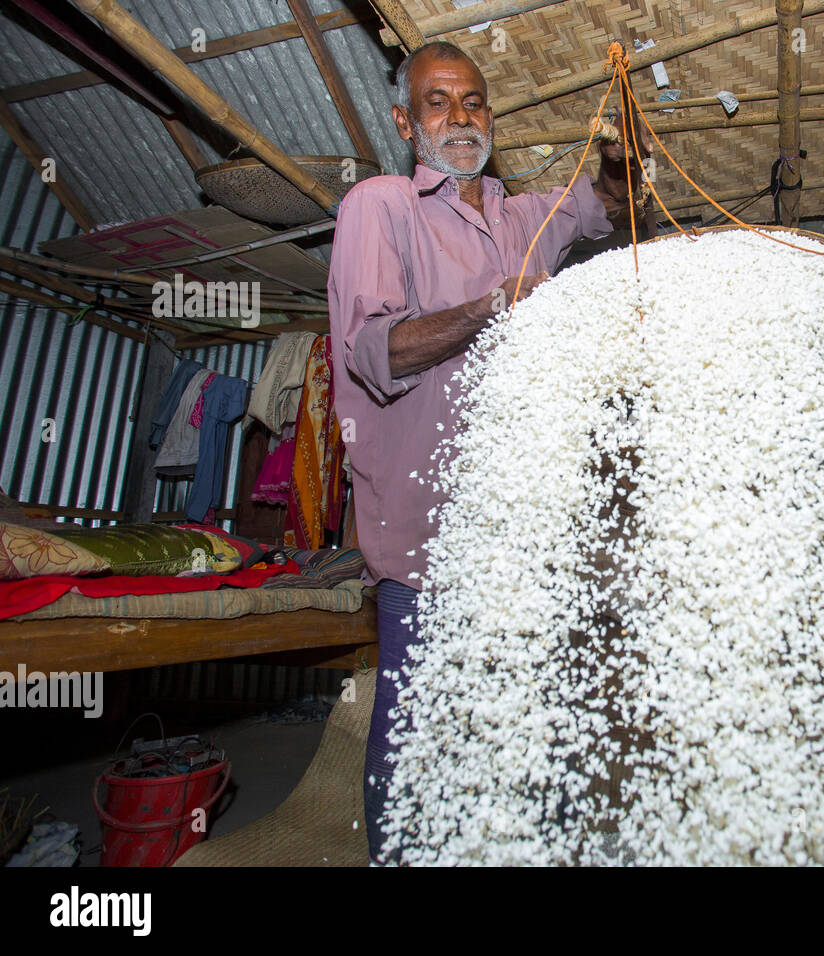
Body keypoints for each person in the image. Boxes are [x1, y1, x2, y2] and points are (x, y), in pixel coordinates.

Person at [327, 40, 647, 862]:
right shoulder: (381, 205)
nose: (460, 116)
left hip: (524, 547)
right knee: (415, 750)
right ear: (405, 122)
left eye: (473, 101)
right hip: (428, 550)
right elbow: (374, 350)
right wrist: (491, 307)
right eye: (438, 102)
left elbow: (612, 205)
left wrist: (622, 156)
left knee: (532, 744)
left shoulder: (525, 215)